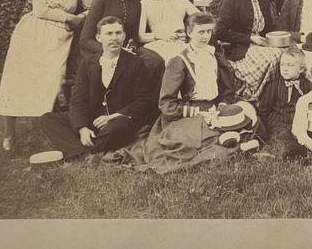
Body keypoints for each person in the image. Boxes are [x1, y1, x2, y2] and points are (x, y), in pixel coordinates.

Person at [112, 12, 261, 173]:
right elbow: (166, 104)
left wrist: (223, 107)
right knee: (203, 139)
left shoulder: (214, 56)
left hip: (214, 108)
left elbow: (226, 90)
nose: (205, 37)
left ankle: (233, 144)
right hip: (186, 114)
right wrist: (199, 112)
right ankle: (234, 149)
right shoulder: (179, 61)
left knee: (250, 120)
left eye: (209, 32)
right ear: (189, 33)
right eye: (200, 32)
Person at [0, 0, 92, 152]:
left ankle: (51, 129)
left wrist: (81, 17)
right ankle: (9, 133)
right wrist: (69, 16)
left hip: (61, 38)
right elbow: (40, 10)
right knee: (20, 79)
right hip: (35, 34)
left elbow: (92, 5)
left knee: (53, 81)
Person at [36, 16, 155, 161]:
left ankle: (77, 152)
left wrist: (114, 116)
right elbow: (77, 100)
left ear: (124, 36)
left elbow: (142, 101)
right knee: (47, 118)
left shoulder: (135, 63)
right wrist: (82, 128)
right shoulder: (88, 63)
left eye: (118, 33)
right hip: (93, 120)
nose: (114, 38)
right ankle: (85, 152)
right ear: (99, 38)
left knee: (120, 125)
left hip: (117, 121)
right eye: (109, 34)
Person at [78, 0, 165, 107]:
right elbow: (85, 40)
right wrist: (113, 51)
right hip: (98, 49)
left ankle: (148, 108)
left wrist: (131, 45)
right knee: (124, 65)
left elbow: (132, 36)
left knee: (156, 61)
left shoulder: (136, 3)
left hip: (124, 48)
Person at [217, 0, 284, 101]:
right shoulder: (231, 1)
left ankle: (274, 96)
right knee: (274, 57)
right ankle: (256, 95)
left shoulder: (264, 2)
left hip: (260, 45)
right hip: (239, 49)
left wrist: (275, 39)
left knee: (284, 54)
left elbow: (268, 30)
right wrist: (250, 38)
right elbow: (220, 32)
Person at [138, 0, 200, 97]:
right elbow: (140, 36)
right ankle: (168, 102)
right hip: (157, 44)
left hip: (180, 43)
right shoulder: (145, 4)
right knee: (168, 62)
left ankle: (192, 99)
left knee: (194, 58)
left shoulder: (182, 2)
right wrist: (162, 36)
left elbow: (200, 20)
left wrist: (189, 32)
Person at [256, 47, 312, 156]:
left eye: (290, 65)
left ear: (301, 69)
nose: (285, 69)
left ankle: (302, 146)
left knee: (308, 134)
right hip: (279, 124)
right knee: (283, 136)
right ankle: (294, 149)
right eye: (282, 65)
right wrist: (265, 130)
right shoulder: (274, 85)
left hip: (300, 123)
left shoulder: (307, 85)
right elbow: (263, 110)